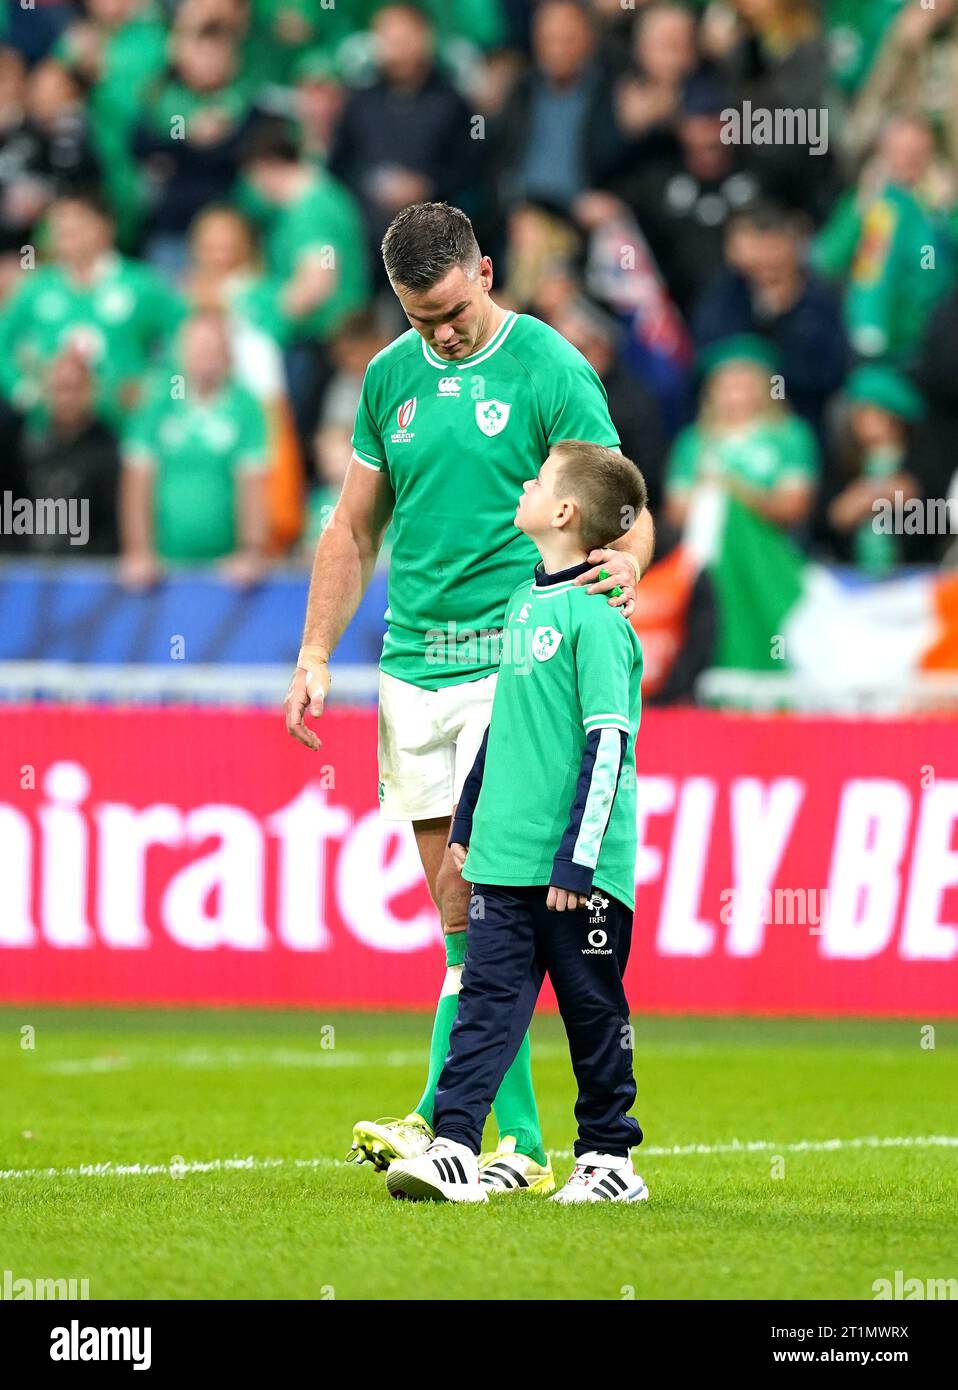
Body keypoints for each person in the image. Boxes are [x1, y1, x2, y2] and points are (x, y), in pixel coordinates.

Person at [283, 201, 654, 1196]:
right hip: (413, 665)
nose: (438, 333)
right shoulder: (387, 379)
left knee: (489, 898)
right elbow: (353, 525)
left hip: (513, 658)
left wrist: (622, 564)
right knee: (460, 915)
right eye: (418, 318)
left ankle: (481, 1132)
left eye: (449, 309)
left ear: (485, 271)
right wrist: (317, 648)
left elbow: (620, 497)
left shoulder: (550, 367)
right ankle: (503, 1135)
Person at [385, 441, 649, 1205]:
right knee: (486, 1006)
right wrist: (467, 823)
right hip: (503, 858)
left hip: (579, 872)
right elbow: (506, 726)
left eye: (539, 479)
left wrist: (578, 862)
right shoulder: (525, 601)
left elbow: (608, 742)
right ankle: (454, 1147)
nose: (526, 483)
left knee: (592, 1011)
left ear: (563, 512)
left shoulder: (598, 620)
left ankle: (608, 1160)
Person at [120, 309, 268, 587]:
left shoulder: (246, 406)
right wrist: (139, 551)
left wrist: (250, 552)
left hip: (225, 571)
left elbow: (252, 484)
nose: (206, 357)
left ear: (228, 353)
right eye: (199, 348)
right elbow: (138, 479)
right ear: (180, 352)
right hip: (162, 567)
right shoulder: (156, 401)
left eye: (214, 348)